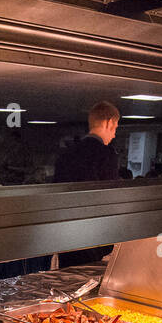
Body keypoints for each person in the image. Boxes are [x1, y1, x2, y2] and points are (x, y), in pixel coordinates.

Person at [53, 100, 121, 267]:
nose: (114, 134)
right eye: (116, 127)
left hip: (66, 232)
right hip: (93, 234)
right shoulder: (106, 154)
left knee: (66, 278)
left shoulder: (66, 154)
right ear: (109, 123)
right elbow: (108, 197)